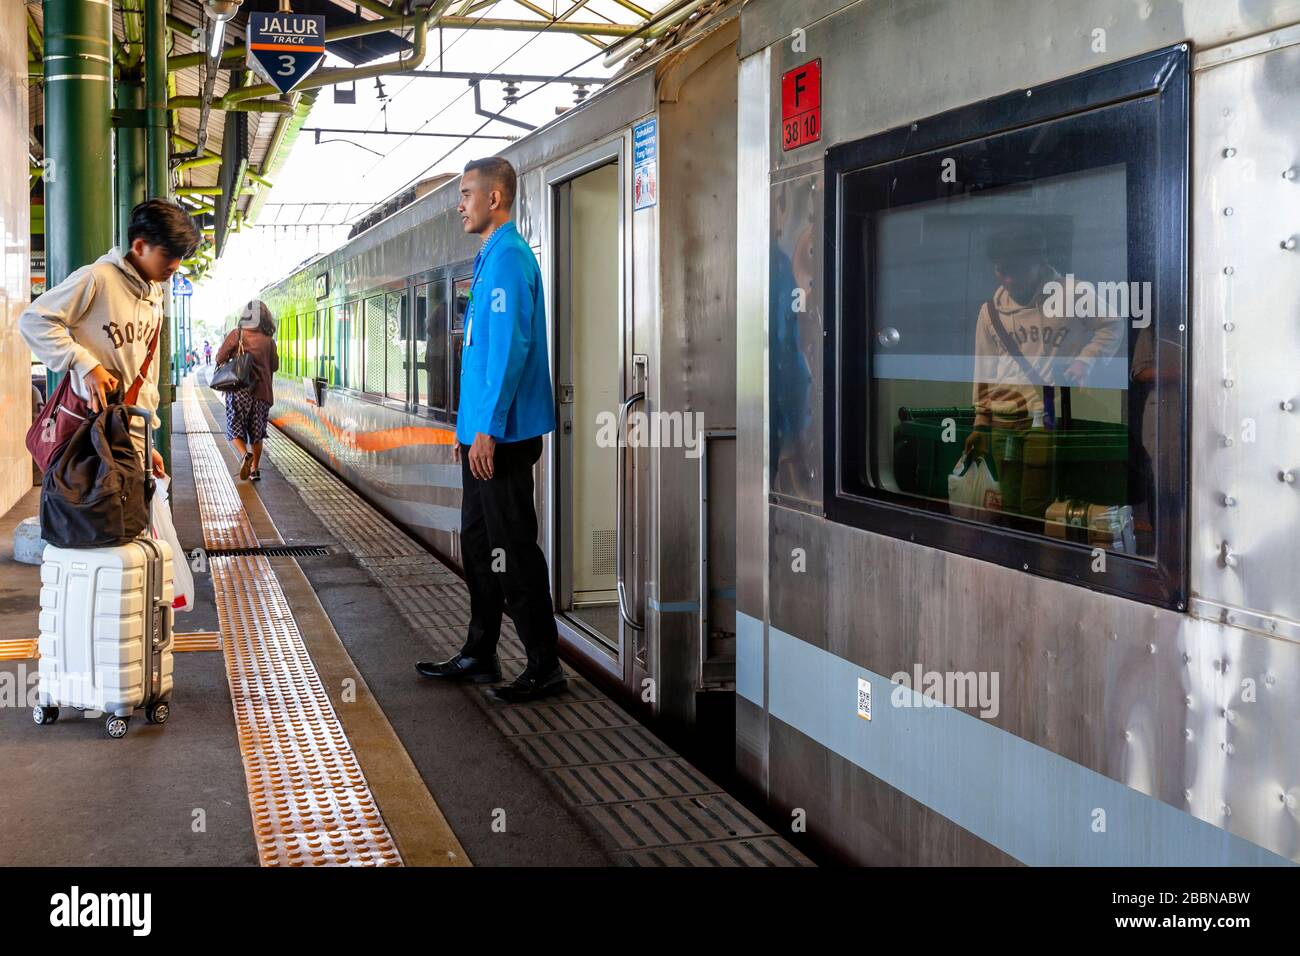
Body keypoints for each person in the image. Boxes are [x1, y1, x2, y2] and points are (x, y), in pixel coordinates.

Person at [416, 156, 562, 704]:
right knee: (479, 544)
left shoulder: (506, 261)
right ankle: (480, 651)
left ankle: (545, 664)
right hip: (482, 434)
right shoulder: (489, 258)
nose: (460, 204)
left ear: (494, 198)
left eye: (467, 193)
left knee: (513, 548)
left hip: (501, 437)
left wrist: (488, 430)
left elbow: (506, 351)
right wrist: (468, 429)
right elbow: (478, 353)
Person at [20, 198, 200, 478]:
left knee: (136, 519)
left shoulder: (155, 297)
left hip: (131, 440)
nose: (175, 265)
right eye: (169, 255)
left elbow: (146, 377)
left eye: (181, 256)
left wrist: (146, 442)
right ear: (140, 246)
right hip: (89, 439)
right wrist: (85, 364)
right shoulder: (98, 279)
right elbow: (34, 320)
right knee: (97, 517)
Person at [965, 225, 1121, 521]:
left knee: (1035, 507)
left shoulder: (1072, 294)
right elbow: (984, 367)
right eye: (1001, 271)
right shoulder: (991, 310)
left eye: (1018, 270)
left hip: (1045, 417)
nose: (1009, 279)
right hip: (1003, 418)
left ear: (1040, 260)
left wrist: (1085, 361)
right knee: (1009, 505)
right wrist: (980, 422)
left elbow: (1111, 324)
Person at [215, 300, 279, 481]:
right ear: (266, 318)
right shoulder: (269, 341)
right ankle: (255, 470)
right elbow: (274, 366)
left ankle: (244, 455)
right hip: (262, 393)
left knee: (234, 428)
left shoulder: (237, 334)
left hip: (239, 391)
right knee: (257, 433)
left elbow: (220, 357)